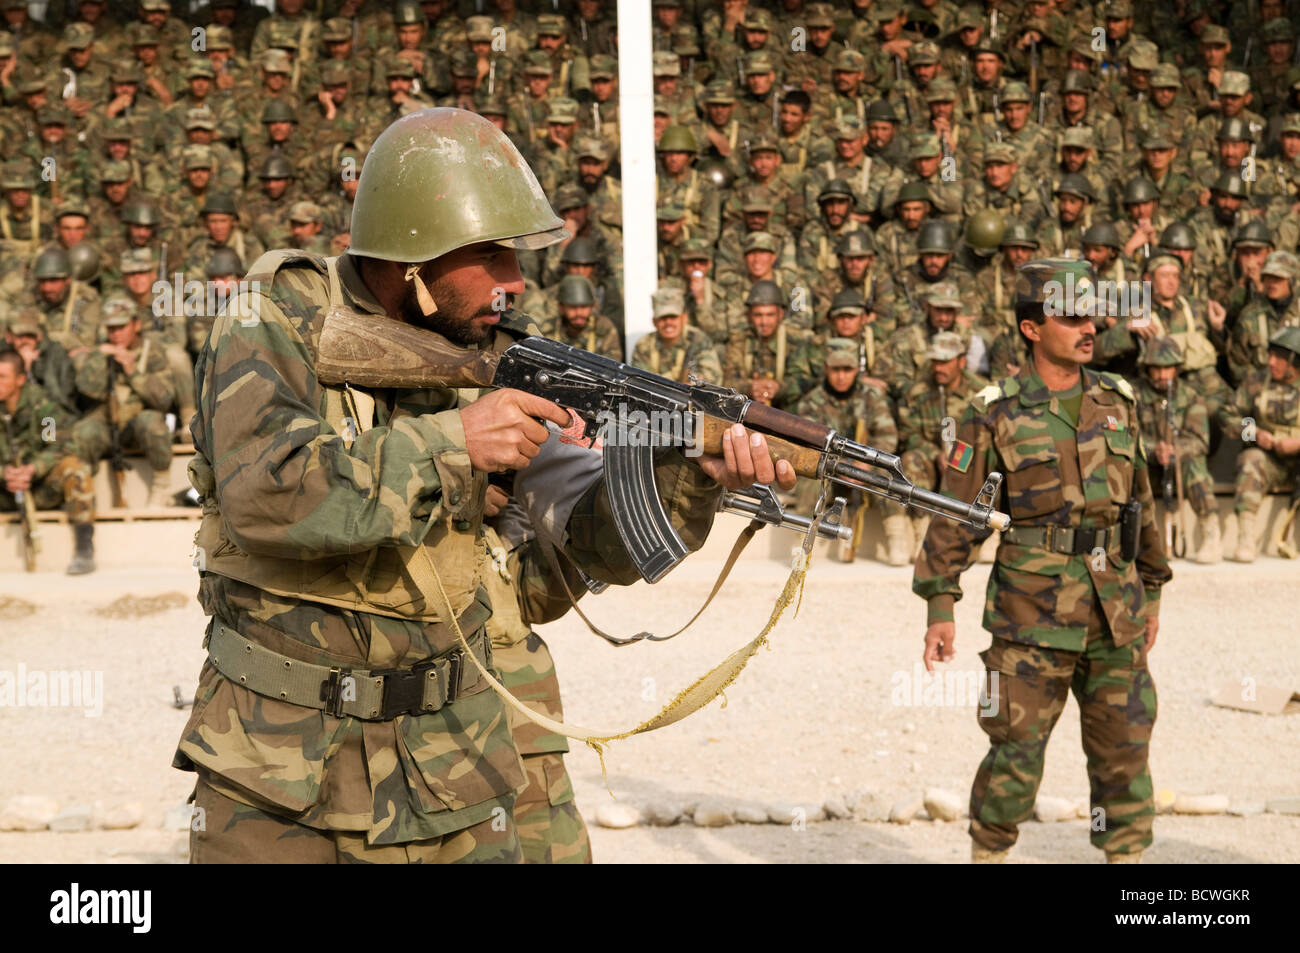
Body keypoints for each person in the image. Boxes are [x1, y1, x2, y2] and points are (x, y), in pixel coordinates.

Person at [174, 107, 794, 864]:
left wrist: (690, 476)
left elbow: (580, 553)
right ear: (412, 256)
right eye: (492, 254)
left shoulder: (497, 354)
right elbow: (266, 492)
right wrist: (453, 442)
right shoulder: (275, 318)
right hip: (276, 769)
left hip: (453, 756)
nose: (514, 279)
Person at [913, 257, 1170, 864]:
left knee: (1124, 753)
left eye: (1092, 316)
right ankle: (990, 855)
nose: (1090, 328)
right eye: (1072, 316)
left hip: (1116, 613)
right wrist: (940, 604)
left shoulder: (1118, 400)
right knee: (1015, 752)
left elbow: (1142, 504)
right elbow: (958, 513)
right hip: (1030, 617)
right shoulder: (992, 411)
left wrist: (1153, 589)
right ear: (1032, 328)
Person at [0, 349, 96, 574]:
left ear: (20, 379)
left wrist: (33, 469)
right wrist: (5, 473)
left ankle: (84, 549)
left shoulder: (43, 408)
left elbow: (59, 445)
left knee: (75, 469)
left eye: (3, 377)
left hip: (40, 485)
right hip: (5, 489)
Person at [1219, 327, 1300, 562]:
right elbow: (1227, 415)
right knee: (1250, 459)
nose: (1271, 362)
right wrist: (1253, 433)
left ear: (1294, 361)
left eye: (1278, 358)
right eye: (1270, 355)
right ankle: (1246, 539)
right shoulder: (1257, 381)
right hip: (1270, 462)